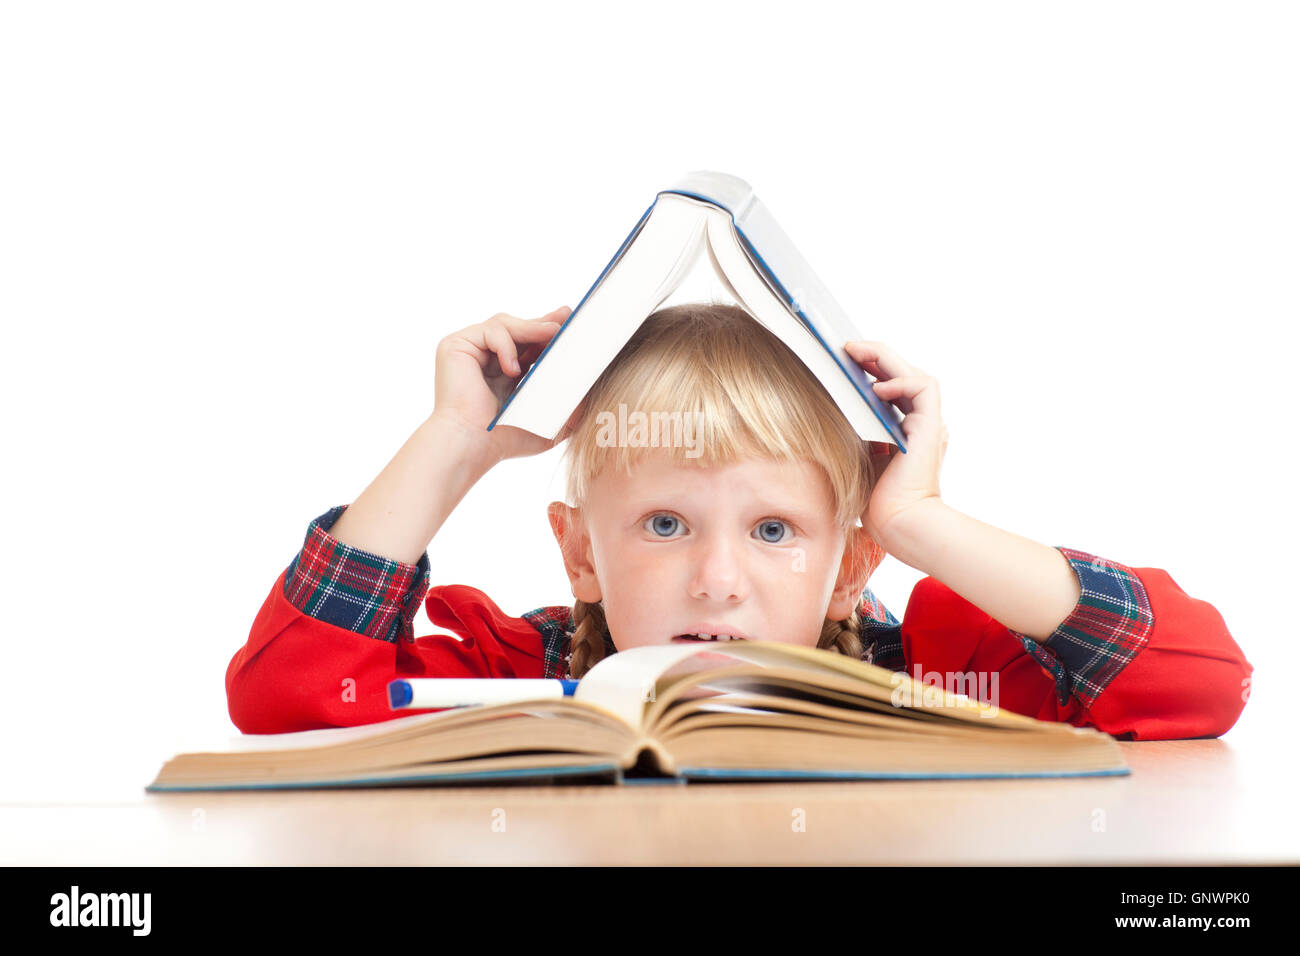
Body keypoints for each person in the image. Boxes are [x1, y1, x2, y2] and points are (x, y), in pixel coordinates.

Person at [226, 303, 1252, 741]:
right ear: (581, 549)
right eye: (664, 524)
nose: (717, 580)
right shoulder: (522, 679)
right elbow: (296, 693)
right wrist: (455, 437)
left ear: (850, 567)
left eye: (773, 530)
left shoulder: (932, 677)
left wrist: (917, 519)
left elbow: (1194, 679)